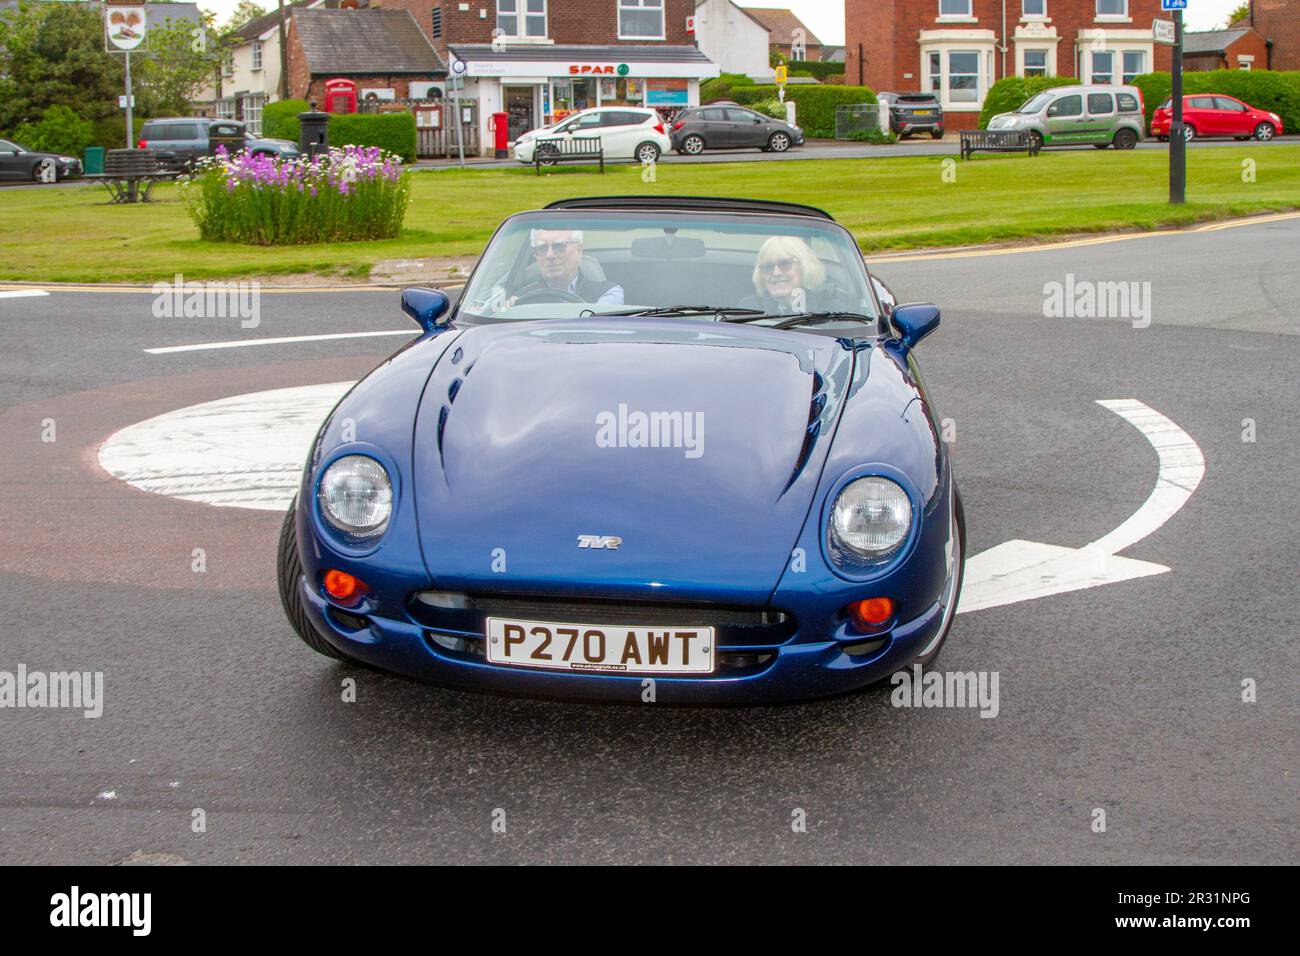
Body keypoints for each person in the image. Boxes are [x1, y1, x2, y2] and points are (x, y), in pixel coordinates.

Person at [507, 229, 624, 307]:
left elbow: (597, 325)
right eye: (542, 248)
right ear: (535, 255)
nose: (550, 255)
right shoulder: (521, 299)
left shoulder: (608, 293)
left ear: (579, 251)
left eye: (559, 246)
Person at [740, 236, 844, 315]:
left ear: (804, 267)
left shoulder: (831, 312)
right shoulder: (748, 309)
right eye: (768, 266)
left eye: (785, 264)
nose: (776, 273)